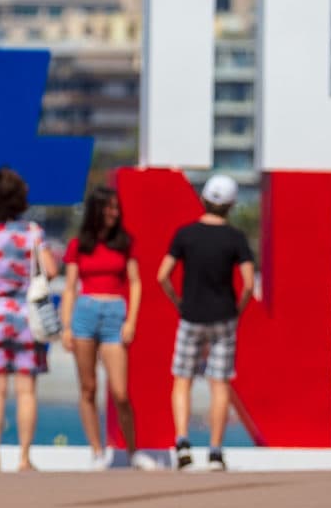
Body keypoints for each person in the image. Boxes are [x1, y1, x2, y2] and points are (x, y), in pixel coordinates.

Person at [156, 174, 255, 472]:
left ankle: (182, 443)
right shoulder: (235, 238)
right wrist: (238, 310)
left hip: (191, 316)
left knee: (182, 380)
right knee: (219, 384)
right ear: (231, 205)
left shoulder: (186, 234)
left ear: (203, 199)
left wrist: (178, 302)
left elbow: (162, 275)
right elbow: (249, 284)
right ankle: (215, 451)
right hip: (223, 317)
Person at [0, 166, 56, 473]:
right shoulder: (32, 233)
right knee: (26, 391)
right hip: (26, 318)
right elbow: (51, 270)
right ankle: (24, 457)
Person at [61, 185, 157, 471]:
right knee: (88, 387)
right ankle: (96, 451)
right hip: (85, 314)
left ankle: (132, 451)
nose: (114, 213)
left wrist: (131, 321)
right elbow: (70, 287)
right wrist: (66, 326)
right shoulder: (79, 245)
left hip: (115, 314)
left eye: (116, 208)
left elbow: (136, 282)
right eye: (109, 207)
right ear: (97, 210)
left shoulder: (124, 242)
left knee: (120, 392)